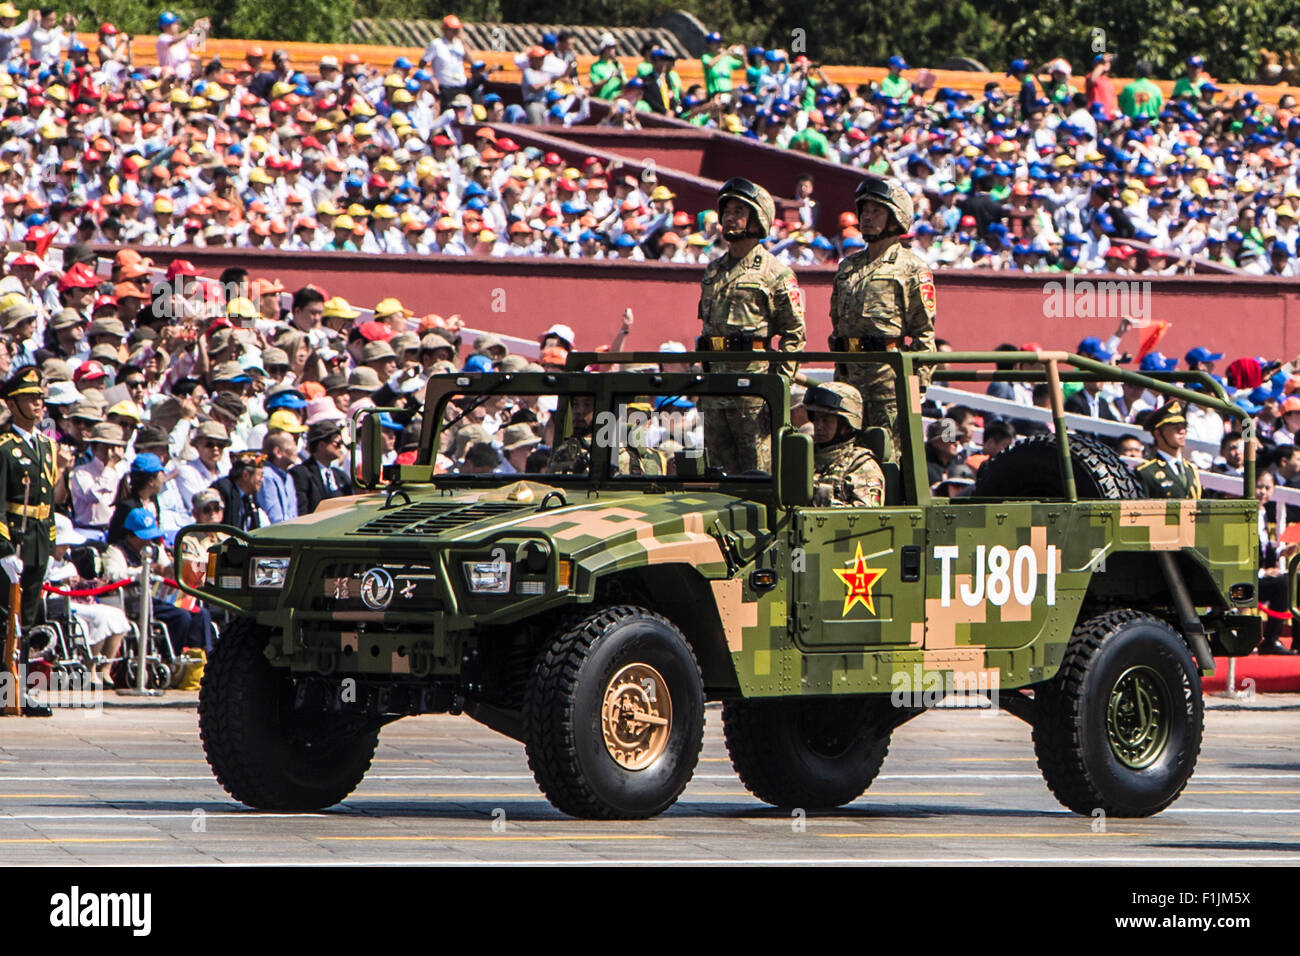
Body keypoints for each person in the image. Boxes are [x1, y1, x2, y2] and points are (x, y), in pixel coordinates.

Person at [696, 177, 805, 474]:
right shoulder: (713, 271)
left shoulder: (776, 273)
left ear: (758, 219)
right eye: (726, 211)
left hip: (753, 395)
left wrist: (778, 389)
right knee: (715, 474)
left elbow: (794, 335)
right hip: (714, 391)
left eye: (739, 211)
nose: (729, 218)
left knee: (757, 474)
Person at [830, 176, 937, 459]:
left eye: (876, 211)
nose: (866, 217)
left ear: (896, 217)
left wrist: (917, 386)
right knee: (844, 456)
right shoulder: (847, 267)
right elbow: (837, 323)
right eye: (864, 210)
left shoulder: (912, 268)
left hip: (888, 383)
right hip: (848, 380)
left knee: (888, 458)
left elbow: (924, 333)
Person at [0, 367, 57, 714]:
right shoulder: (4, 447)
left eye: (39, 397)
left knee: (28, 619)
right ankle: (3, 691)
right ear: (12, 403)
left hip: (37, 542)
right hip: (14, 542)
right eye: (29, 397)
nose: (38, 403)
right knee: (5, 619)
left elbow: (48, 504)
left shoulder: (47, 446)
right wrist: (4, 548)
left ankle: (18, 692)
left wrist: (49, 545)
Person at [103, 507, 214, 654]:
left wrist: (172, 570)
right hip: (136, 601)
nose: (147, 540)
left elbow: (166, 570)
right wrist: (147, 569)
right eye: (143, 537)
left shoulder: (156, 550)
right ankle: (170, 656)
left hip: (163, 597)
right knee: (181, 616)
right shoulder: (116, 551)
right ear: (130, 535)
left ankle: (199, 656)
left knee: (201, 614)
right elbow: (113, 576)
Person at [805, 383, 884, 507]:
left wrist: (822, 498)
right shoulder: (805, 458)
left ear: (846, 426)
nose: (818, 426)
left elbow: (867, 514)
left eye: (826, 420)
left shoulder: (861, 465)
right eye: (816, 419)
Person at [1135, 401, 1201, 498]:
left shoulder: (1191, 470)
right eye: (1175, 427)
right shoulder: (1146, 472)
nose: (1182, 431)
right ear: (1158, 433)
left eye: (1184, 427)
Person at [291, 421, 353, 514]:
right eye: (337, 443)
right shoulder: (301, 474)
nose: (341, 447)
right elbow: (302, 511)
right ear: (321, 445)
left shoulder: (341, 476)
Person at [210, 450, 269, 532]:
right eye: (260, 475)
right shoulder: (223, 491)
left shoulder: (250, 496)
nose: (262, 479)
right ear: (245, 475)